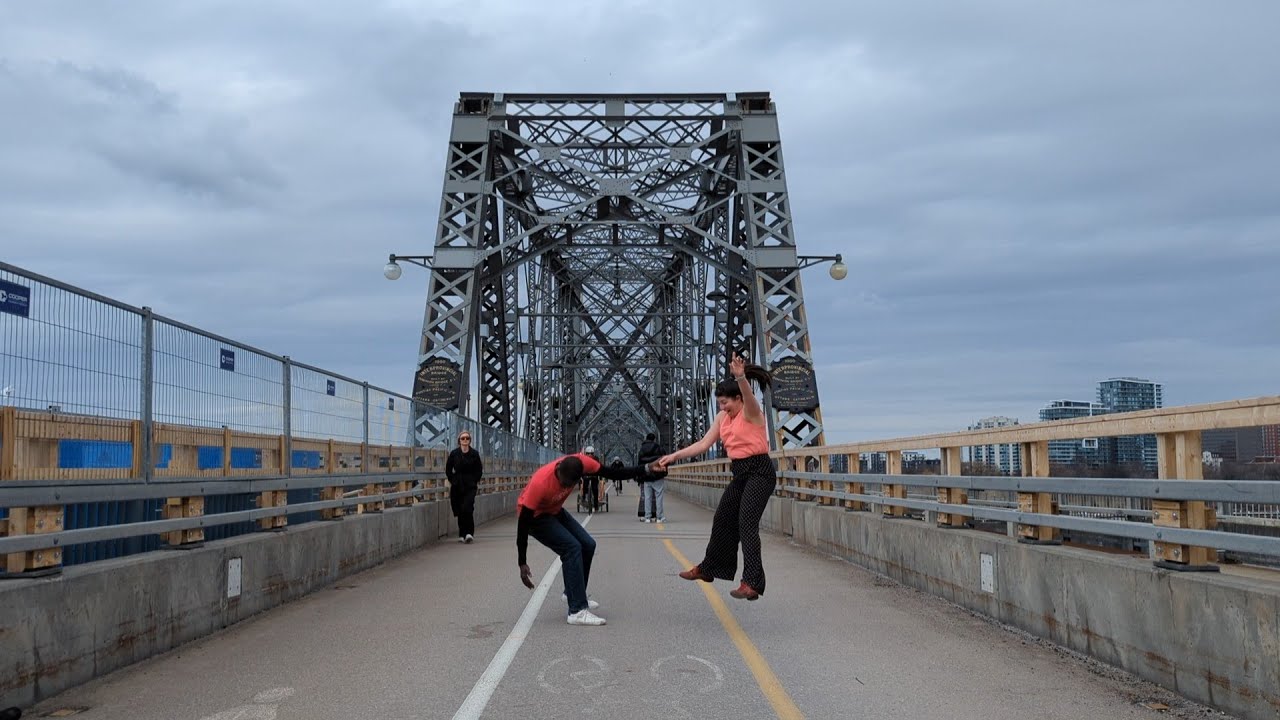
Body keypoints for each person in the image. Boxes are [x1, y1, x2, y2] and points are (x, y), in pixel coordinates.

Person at [658, 354, 774, 601]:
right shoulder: (723, 418)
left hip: (760, 473)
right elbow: (702, 444)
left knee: (746, 525)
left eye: (725, 403)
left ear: (738, 399)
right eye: (719, 404)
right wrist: (673, 456)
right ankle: (709, 569)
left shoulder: (752, 412)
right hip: (740, 472)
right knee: (722, 519)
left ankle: (751, 582)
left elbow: (750, 397)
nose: (722, 408)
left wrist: (740, 376)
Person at [516, 452, 664, 625]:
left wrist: (646, 468)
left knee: (588, 544)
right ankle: (577, 611)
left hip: (554, 510)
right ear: (557, 469)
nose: (563, 487)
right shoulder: (540, 483)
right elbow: (522, 525)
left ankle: (573, 593)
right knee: (571, 548)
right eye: (562, 483)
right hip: (534, 518)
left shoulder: (584, 463)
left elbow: (614, 473)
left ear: (580, 477)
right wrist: (522, 562)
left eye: (568, 485)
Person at [446, 430, 483, 543]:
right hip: (458, 484)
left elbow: (479, 470)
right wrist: (453, 480)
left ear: (470, 440)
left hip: (470, 485)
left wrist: (474, 481)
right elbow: (448, 469)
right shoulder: (454, 454)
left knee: (467, 507)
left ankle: (469, 533)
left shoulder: (474, 454)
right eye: (463, 438)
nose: (465, 440)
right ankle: (462, 534)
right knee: (460, 509)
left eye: (467, 438)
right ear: (459, 441)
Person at [637, 433, 666, 522]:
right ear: (654, 439)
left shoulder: (642, 449)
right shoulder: (658, 448)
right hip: (657, 475)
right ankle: (659, 517)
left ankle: (647, 517)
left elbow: (639, 464)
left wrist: (639, 476)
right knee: (659, 496)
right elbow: (664, 459)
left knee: (647, 497)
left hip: (647, 475)